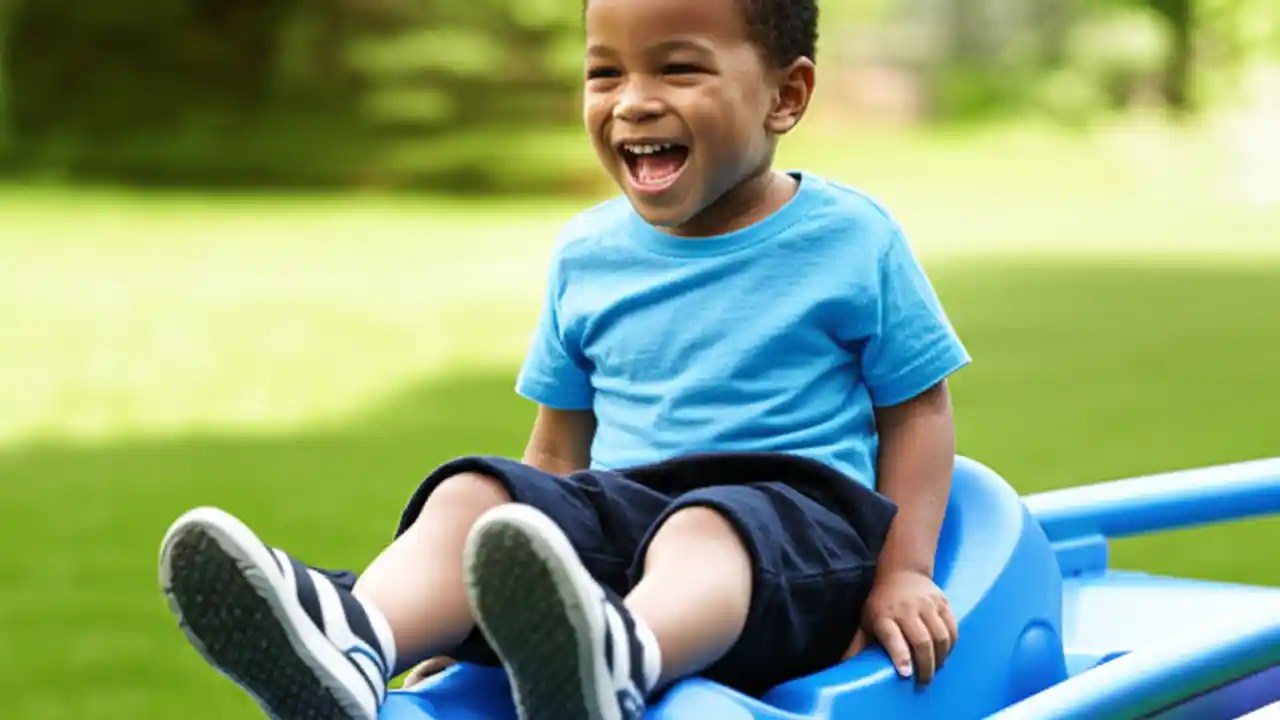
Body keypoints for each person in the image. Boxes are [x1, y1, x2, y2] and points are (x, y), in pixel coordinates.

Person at [156, 0, 970, 718]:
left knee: (705, 524)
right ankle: (361, 642)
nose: (634, 101)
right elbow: (553, 455)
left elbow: (919, 412)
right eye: (604, 72)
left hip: (793, 540)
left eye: (679, 69)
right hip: (627, 521)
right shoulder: (587, 253)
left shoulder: (851, 239)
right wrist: (472, 600)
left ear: (784, 96)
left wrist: (902, 573)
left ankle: (620, 660)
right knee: (478, 492)